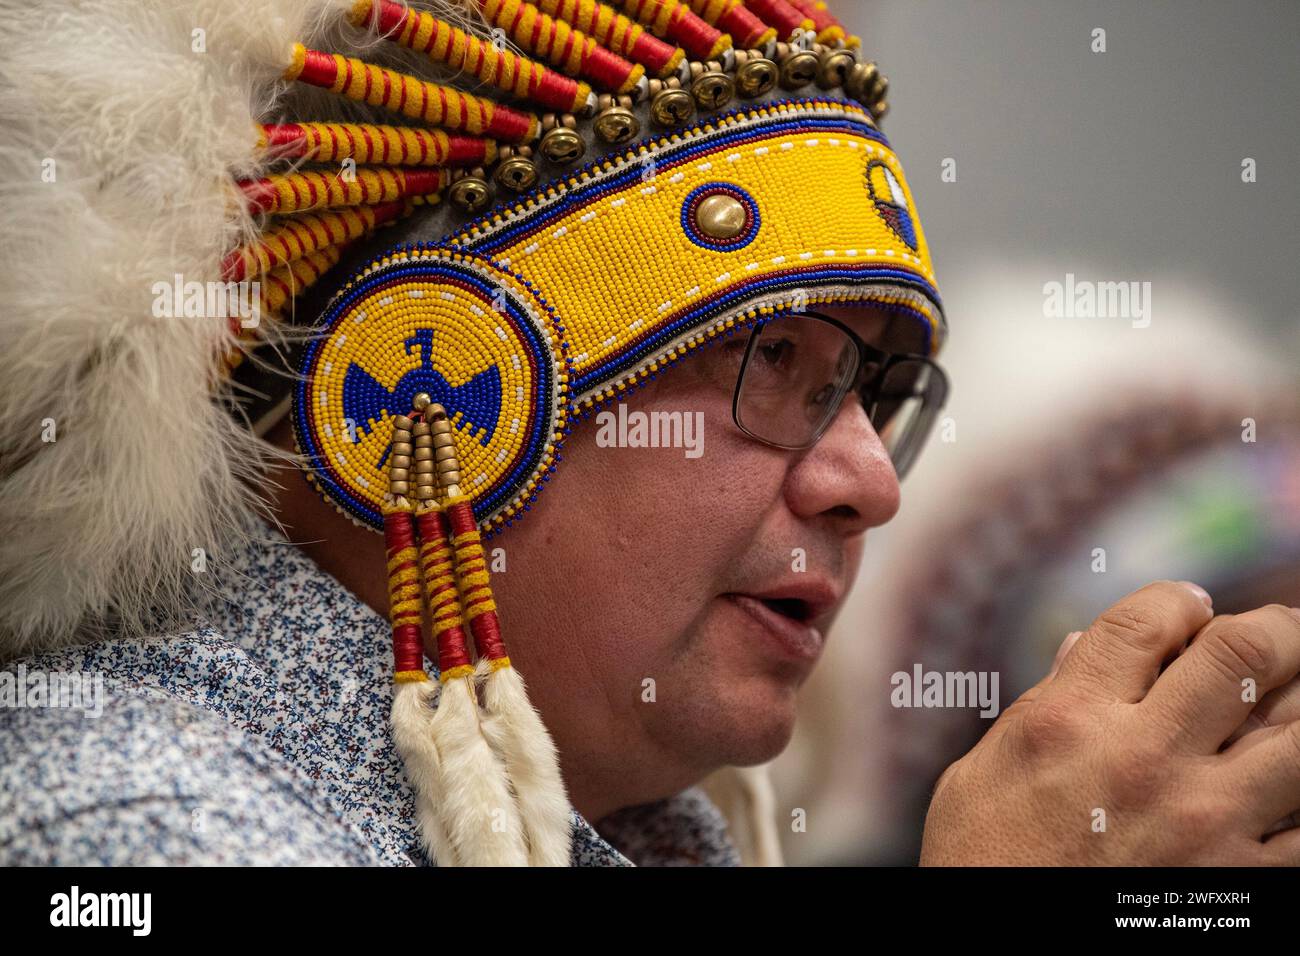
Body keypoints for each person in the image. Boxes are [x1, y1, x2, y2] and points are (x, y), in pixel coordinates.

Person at [1, 0, 1297, 867]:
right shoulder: (132, 821)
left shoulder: (625, 831)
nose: (866, 483)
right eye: (777, 360)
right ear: (432, 391)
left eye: (875, 393)